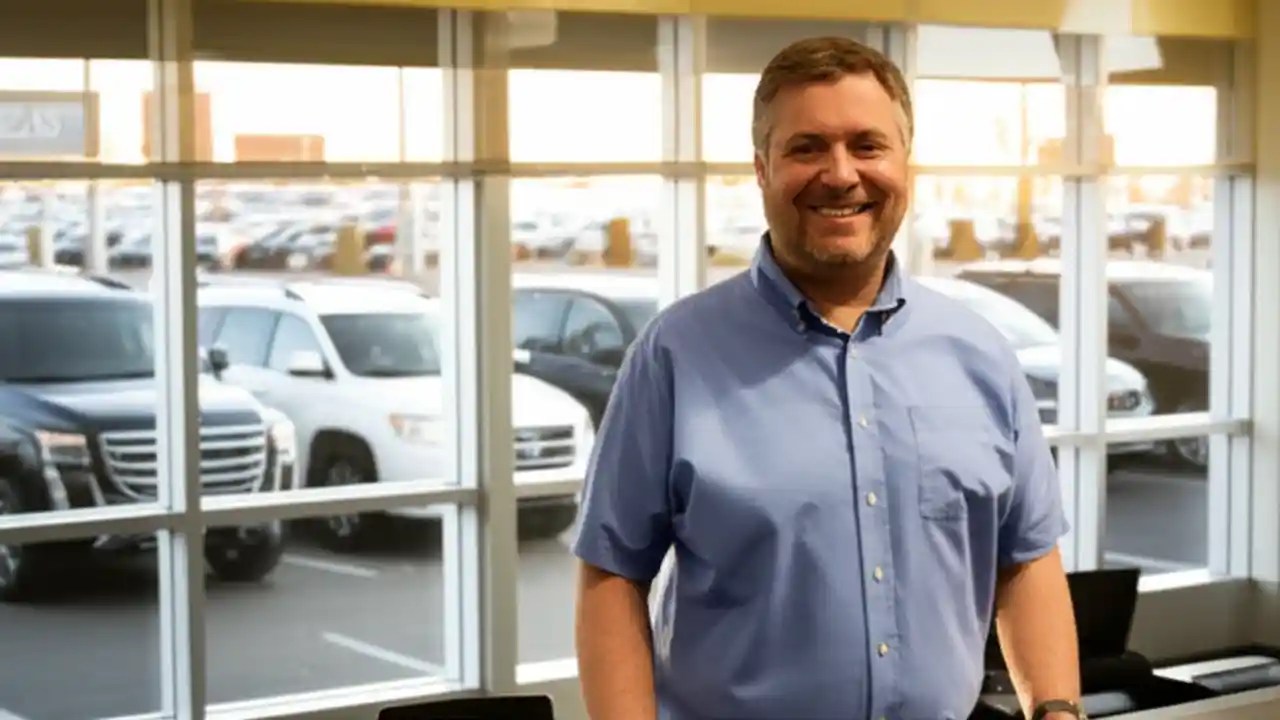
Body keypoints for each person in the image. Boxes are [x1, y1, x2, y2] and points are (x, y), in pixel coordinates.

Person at [572, 35, 1083, 720]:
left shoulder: (980, 355)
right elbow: (611, 575)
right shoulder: (675, 355)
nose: (841, 174)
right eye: (807, 148)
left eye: (868, 146)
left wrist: (1056, 709)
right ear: (762, 169)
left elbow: (1025, 558)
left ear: (906, 165)